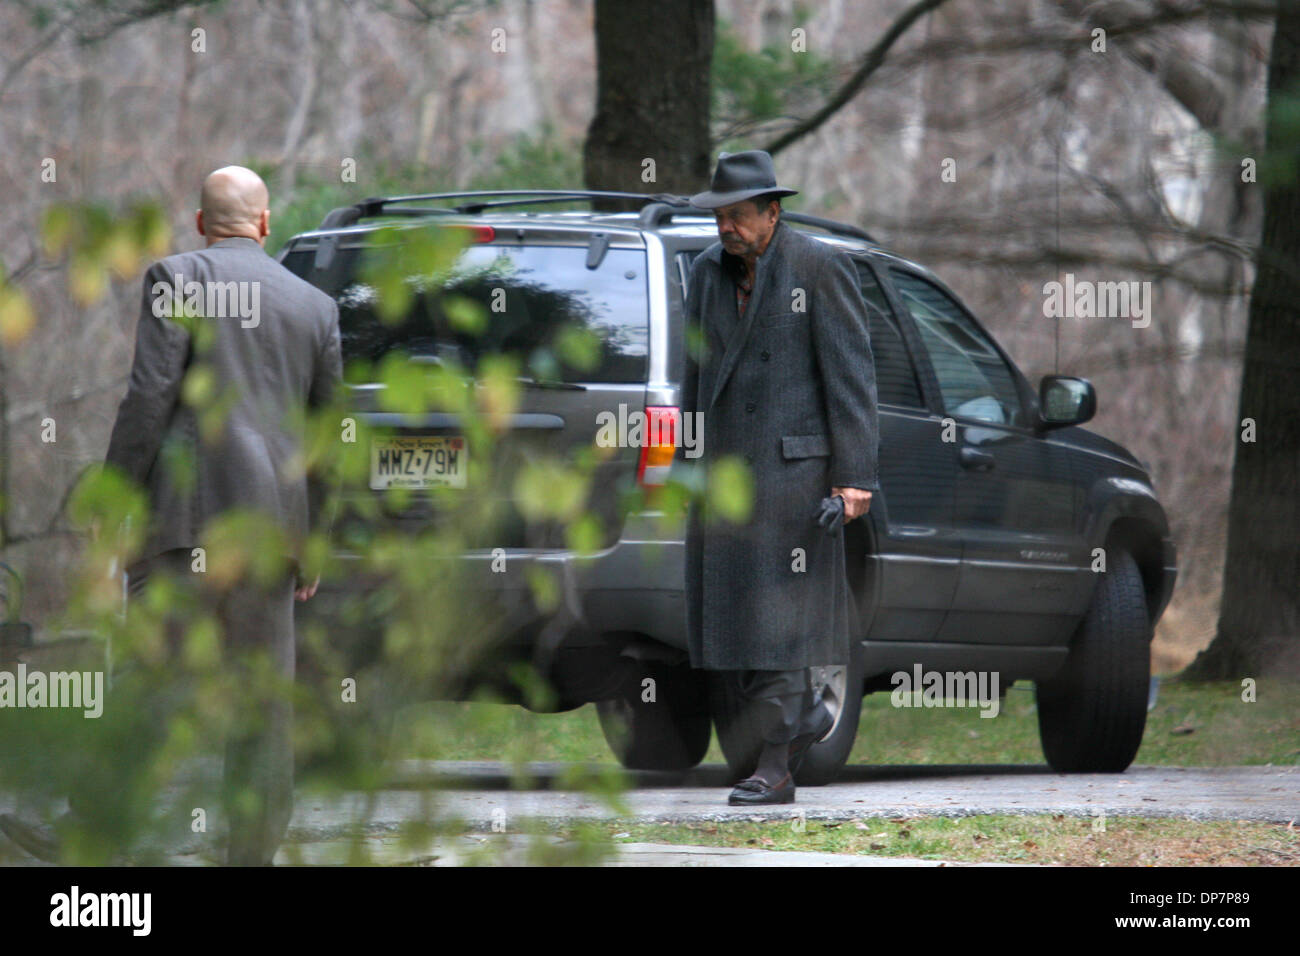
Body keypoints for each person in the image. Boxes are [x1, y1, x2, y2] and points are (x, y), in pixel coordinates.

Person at [0, 166, 342, 864]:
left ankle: (91, 831)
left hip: (186, 524)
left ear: (199, 223)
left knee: (153, 680)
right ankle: (249, 852)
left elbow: (151, 395)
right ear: (266, 224)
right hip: (271, 535)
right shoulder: (314, 307)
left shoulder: (178, 278)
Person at [680, 150, 879, 805]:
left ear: (773, 212)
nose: (726, 226)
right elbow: (694, 375)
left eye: (739, 215)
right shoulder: (706, 274)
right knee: (732, 626)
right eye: (720, 215)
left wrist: (853, 482)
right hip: (724, 479)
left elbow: (851, 383)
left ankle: (776, 765)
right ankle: (807, 722)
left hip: (796, 478)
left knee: (782, 628)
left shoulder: (821, 269)